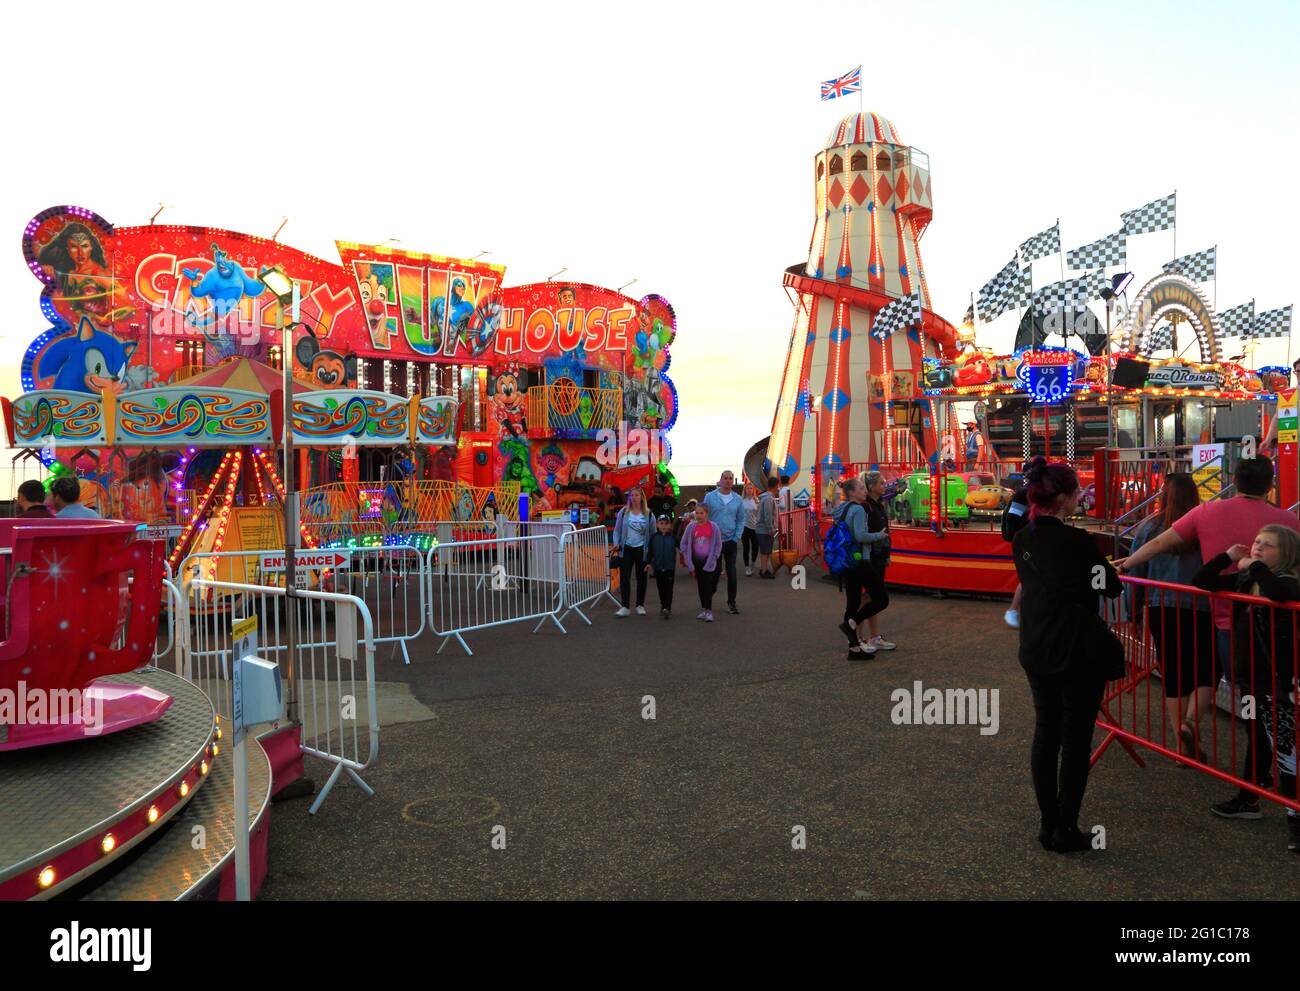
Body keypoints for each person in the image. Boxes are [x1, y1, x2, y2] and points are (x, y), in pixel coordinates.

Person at [1115, 457, 1298, 818]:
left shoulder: (1208, 514)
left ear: (1232, 479)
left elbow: (1158, 545)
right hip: (1277, 630)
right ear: (1271, 484)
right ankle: (1268, 783)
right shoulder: (1288, 521)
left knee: (1257, 708)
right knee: (1268, 708)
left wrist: (1127, 566)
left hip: (1231, 628)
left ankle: (1263, 786)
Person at [1013, 457, 1121, 853]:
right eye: (1077, 492)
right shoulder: (1078, 543)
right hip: (1077, 651)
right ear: (1067, 498)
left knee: (1046, 733)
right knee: (1075, 741)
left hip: (1037, 646)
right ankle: (1066, 826)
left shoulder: (1023, 539)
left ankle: (1047, 822)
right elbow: (1110, 587)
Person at [1191, 525, 1300, 853]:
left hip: (1281, 677)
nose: (1257, 548)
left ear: (1287, 553)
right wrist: (1226, 557)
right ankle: (1249, 798)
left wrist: (1253, 565)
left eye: (1267, 546)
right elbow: (1202, 582)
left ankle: (1294, 814)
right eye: (1256, 543)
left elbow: (1278, 592)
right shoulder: (1248, 579)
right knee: (1259, 734)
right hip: (1251, 673)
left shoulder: (1288, 581)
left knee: (1284, 744)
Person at [1127, 474, 1217, 761]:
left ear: (1164, 495)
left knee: (1175, 673)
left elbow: (1135, 574)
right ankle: (1191, 722)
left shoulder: (1149, 528)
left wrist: (1135, 614)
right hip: (1203, 607)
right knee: (1209, 669)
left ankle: (1180, 746)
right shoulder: (1205, 525)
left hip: (1160, 607)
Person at [833, 476, 891, 660]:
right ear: (851, 493)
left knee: (853, 602)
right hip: (861, 561)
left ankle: (854, 648)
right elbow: (859, 535)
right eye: (860, 488)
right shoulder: (858, 509)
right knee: (881, 599)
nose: (863, 490)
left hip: (847, 562)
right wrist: (878, 536)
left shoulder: (841, 508)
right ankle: (852, 623)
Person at [858, 470, 895, 651]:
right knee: (868, 596)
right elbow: (863, 534)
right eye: (881, 483)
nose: (884, 485)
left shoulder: (878, 505)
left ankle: (873, 636)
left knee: (871, 597)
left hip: (879, 556)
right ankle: (859, 636)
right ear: (871, 487)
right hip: (869, 556)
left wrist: (886, 554)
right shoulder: (866, 508)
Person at [702, 470, 745, 614]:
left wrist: (736, 537)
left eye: (730, 478)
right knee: (714, 574)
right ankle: (707, 603)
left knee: (732, 573)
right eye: (725, 478)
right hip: (714, 542)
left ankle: (732, 603)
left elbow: (740, 520)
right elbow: (703, 517)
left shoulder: (738, 499)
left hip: (731, 541)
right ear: (720, 480)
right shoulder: (710, 497)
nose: (728, 481)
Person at [611, 488, 651, 616]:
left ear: (642, 497)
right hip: (626, 549)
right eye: (631, 495)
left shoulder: (649, 514)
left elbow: (653, 533)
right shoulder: (623, 512)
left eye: (637, 495)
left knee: (641, 577)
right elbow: (616, 530)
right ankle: (625, 606)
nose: (634, 497)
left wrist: (651, 551)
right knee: (625, 577)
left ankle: (640, 605)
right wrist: (617, 543)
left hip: (641, 549)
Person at [680, 502, 722, 622]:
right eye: (697, 513)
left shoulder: (713, 527)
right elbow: (683, 543)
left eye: (701, 513)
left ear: (707, 513)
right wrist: (687, 557)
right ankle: (704, 609)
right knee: (701, 586)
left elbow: (718, 544)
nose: (699, 515)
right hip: (695, 561)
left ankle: (709, 610)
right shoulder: (691, 527)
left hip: (709, 561)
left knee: (708, 586)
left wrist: (714, 556)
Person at [1001, 467, 1030, 628]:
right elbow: (1013, 518)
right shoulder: (1023, 494)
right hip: (1025, 541)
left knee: (1029, 576)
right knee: (1028, 576)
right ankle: (1013, 610)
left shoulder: (1032, 493)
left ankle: (1016, 610)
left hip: (1028, 539)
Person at [645, 514, 678, 619]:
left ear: (670, 525)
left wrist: (686, 555)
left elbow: (682, 546)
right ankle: (663, 605)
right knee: (661, 588)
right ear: (657, 525)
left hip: (670, 567)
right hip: (658, 567)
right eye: (661, 523)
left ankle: (667, 607)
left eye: (666, 524)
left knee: (669, 588)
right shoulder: (654, 538)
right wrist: (649, 563)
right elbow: (650, 552)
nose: (664, 526)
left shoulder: (673, 537)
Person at [755, 478, 779, 579]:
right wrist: (770, 529)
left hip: (761, 529)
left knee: (765, 551)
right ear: (776, 486)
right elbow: (768, 516)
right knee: (765, 551)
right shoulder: (769, 499)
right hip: (765, 530)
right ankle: (764, 571)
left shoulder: (765, 497)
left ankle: (763, 568)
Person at [741, 482, 760, 576]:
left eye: (751, 488)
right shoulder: (741, 501)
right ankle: (747, 567)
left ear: (753, 490)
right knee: (746, 548)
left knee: (755, 547)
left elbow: (758, 515)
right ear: (745, 490)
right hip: (744, 527)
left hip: (755, 527)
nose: (749, 490)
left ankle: (753, 562)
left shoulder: (756, 501)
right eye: (747, 488)